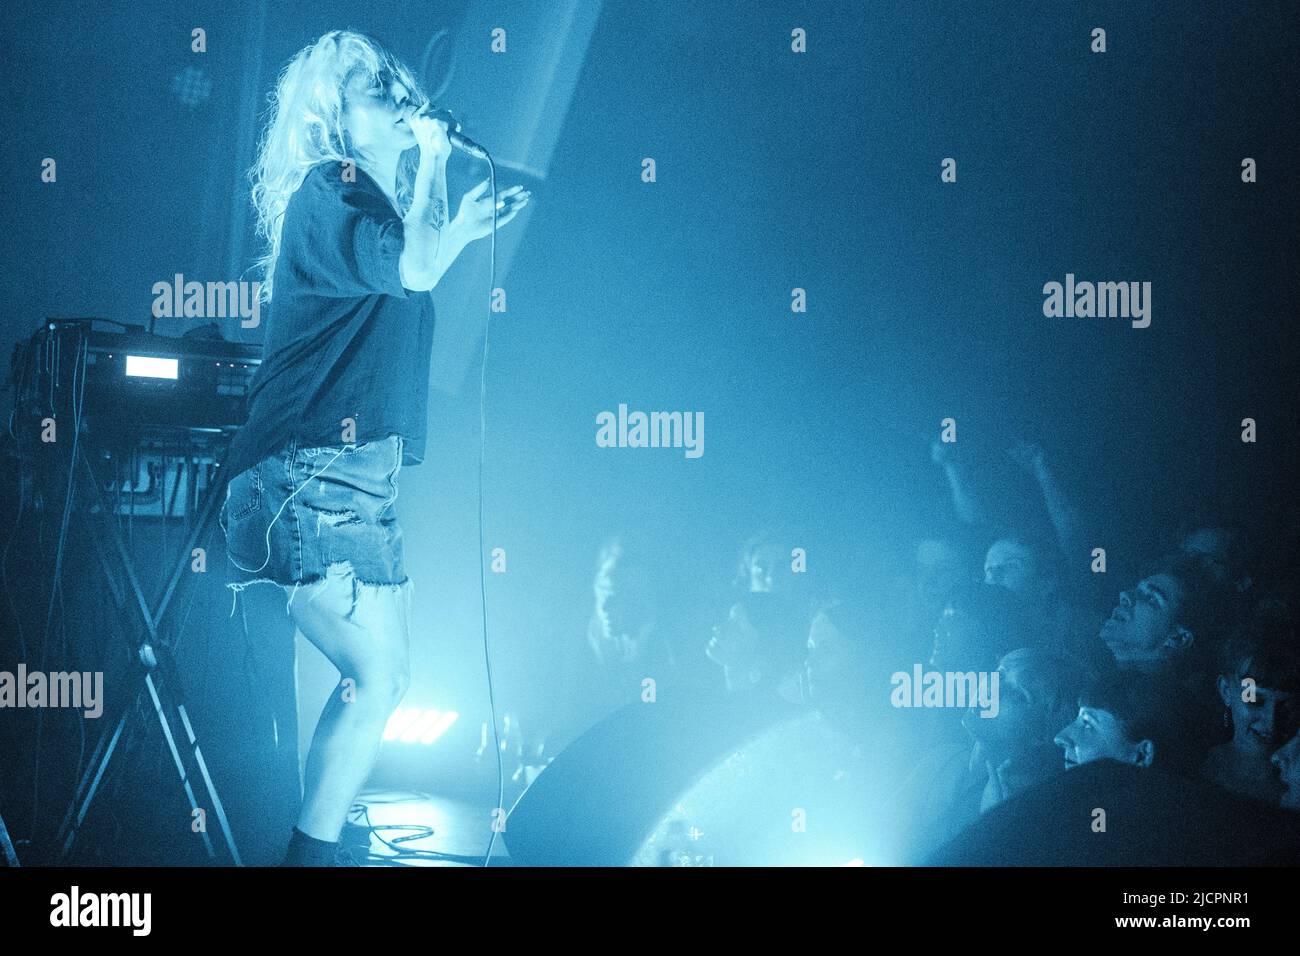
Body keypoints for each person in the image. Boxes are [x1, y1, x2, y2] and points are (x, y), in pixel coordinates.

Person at [218, 30, 529, 866]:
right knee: (380, 678)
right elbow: (418, 272)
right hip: (307, 470)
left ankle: (320, 837)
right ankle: (310, 854)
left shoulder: (365, 205)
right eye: (377, 90)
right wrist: (434, 166)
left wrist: (454, 227)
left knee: (374, 683)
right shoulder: (331, 188)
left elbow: (410, 267)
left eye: (399, 84)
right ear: (334, 115)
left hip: (353, 479)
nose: (401, 97)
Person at [1201, 605, 1298, 803]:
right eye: (1254, 700)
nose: (1271, 721)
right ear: (1226, 690)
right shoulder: (1195, 761)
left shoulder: (1295, 784)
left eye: (1286, 706)